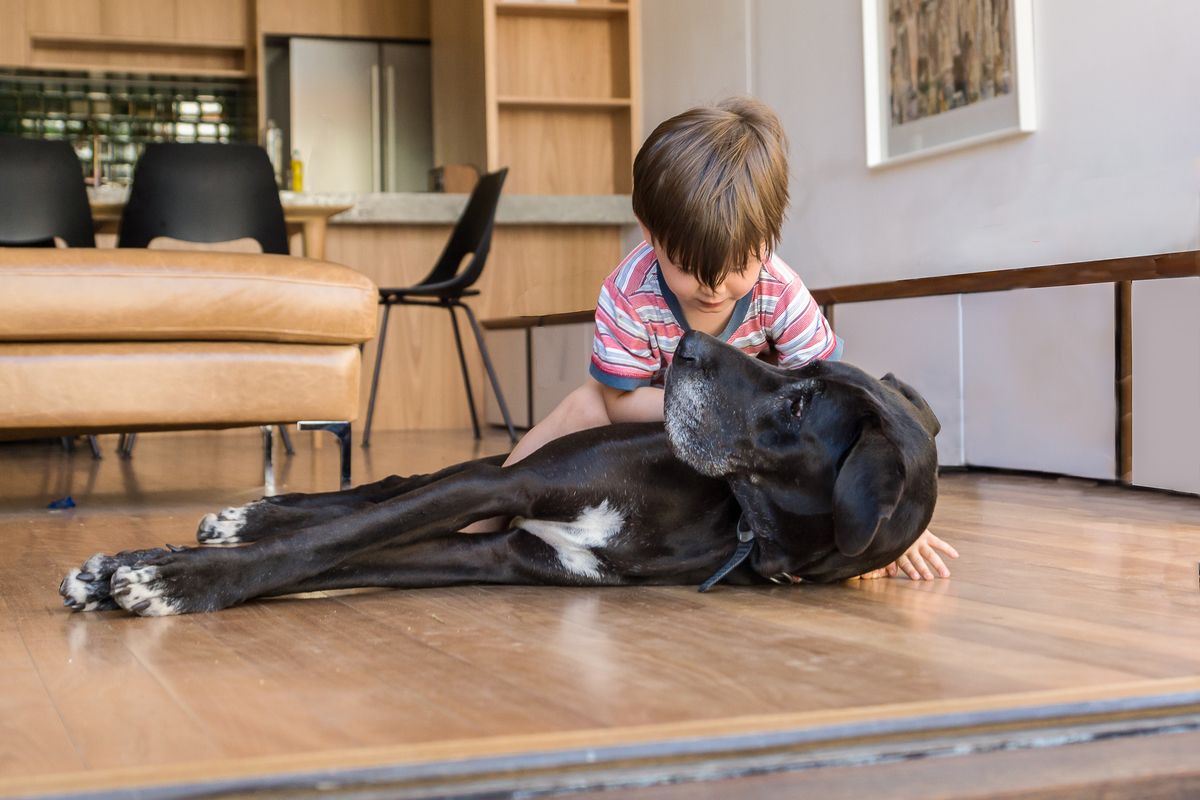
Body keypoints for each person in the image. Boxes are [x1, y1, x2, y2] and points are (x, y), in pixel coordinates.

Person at [473, 97, 957, 581]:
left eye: (739, 267)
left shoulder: (779, 290)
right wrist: (697, 410)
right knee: (583, 405)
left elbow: (833, 390)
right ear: (650, 234)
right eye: (687, 268)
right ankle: (488, 504)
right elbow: (618, 402)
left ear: (768, 240)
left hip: (745, 441)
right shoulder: (629, 290)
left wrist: (894, 524)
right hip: (655, 421)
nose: (715, 287)